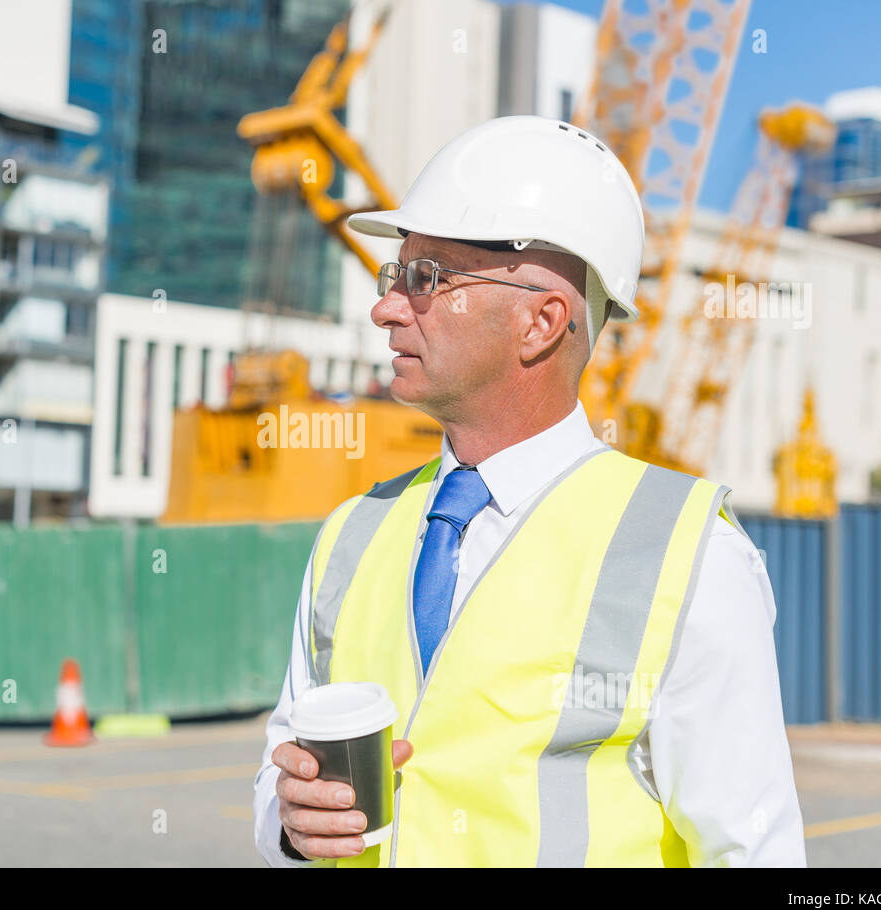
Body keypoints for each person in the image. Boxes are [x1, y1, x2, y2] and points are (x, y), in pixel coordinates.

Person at [252, 115, 805, 867]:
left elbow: (754, 852)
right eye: (395, 275)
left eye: (426, 279)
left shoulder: (692, 559)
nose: (385, 307)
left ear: (542, 321)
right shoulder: (352, 533)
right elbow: (281, 767)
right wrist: (292, 826)